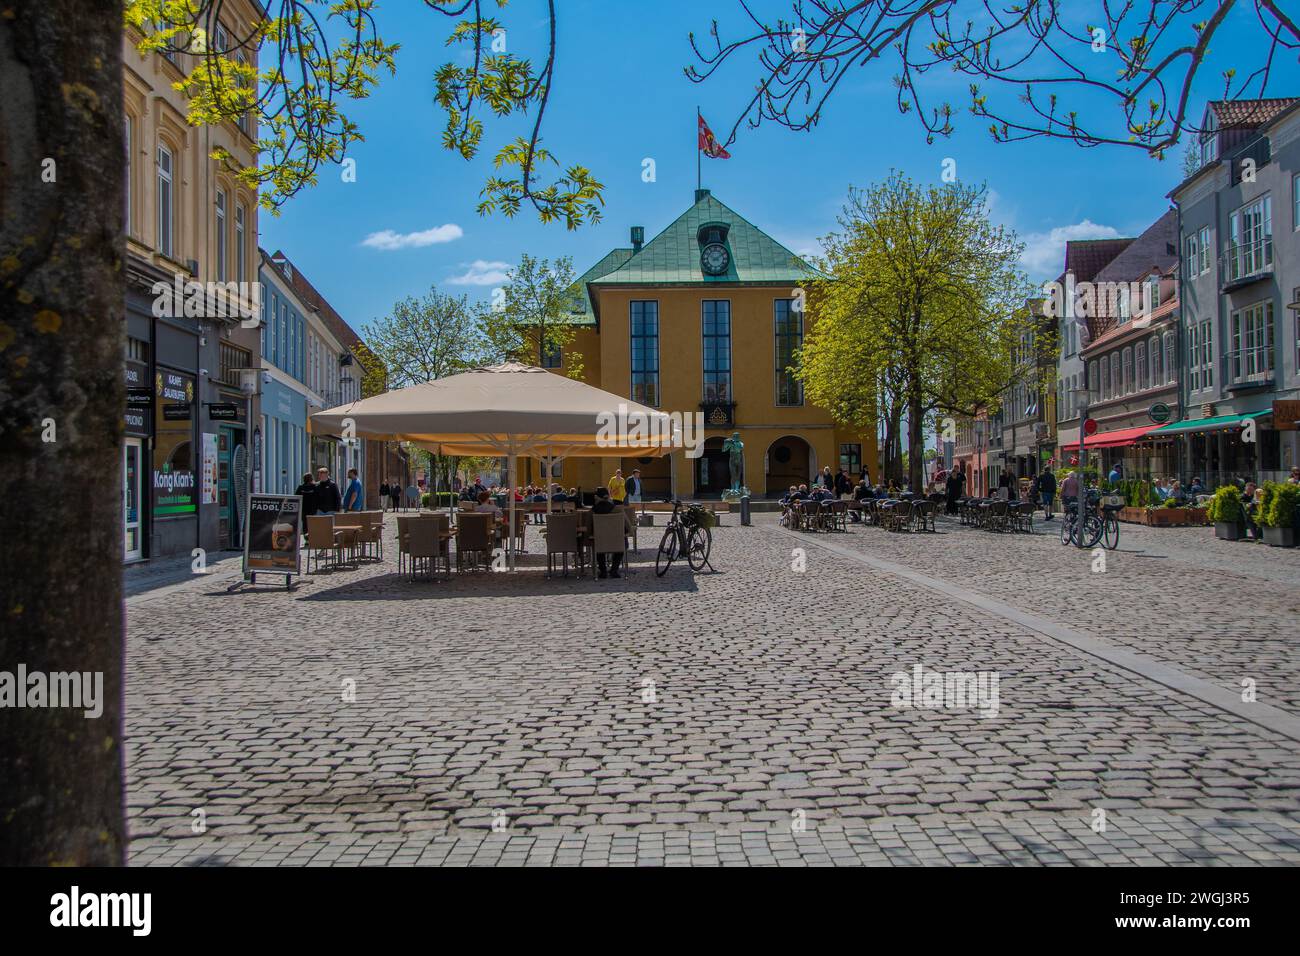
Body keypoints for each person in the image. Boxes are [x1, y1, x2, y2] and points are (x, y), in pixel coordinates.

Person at [591, 487, 624, 579]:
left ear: (596, 497)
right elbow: (627, 525)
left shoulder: (593, 511)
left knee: (597, 543)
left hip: (600, 542)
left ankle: (603, 571)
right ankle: (614, 569)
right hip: (616, 542)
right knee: (622, 543)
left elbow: (589, 528)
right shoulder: (617, 510)